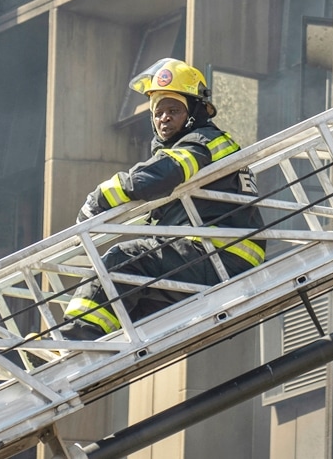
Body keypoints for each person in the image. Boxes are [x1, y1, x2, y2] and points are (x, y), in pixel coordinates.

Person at [60, 58, 265, 340]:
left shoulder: (204, 141)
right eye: (158, 112)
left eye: (173, 110)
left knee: (123, 260)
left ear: (194, 112)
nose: (163, 118)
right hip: (212, 257)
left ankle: (74, 339)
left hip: (219, 257)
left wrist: (102, 197)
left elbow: (163, 174)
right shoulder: (198, 145)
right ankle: (73, 352)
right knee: (134, 303)